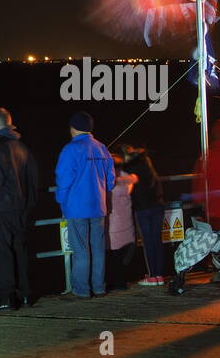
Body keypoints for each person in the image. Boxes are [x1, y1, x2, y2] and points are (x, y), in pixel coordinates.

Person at [0, 107, 39, 312]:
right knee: (20, 251)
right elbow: (32, 182)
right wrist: (28, 207)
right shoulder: (22, 148)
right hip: (20, 210)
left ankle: (7, 297)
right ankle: (26, 294)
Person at [54, 112, 115, 298]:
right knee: (98, 249)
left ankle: (81, 290)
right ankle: (99, 287)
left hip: (76, 208)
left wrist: (61, 202)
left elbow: (64, 181)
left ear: (72, 128)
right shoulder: (102, 148)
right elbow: (110, 180)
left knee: (80, 250)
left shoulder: (70, 150)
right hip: (98, 207)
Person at [121, 143, 167, 286]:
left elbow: (131, 182)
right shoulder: (147, 162)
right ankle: (159, 275)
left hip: (143, 208)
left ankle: (153, 277)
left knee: (148, 243)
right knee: (157, 241)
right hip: (158, 206)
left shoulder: (130, 167)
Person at [106, 155, 138, 291]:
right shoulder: (128, 178)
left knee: (113, 254)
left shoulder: (108, 179)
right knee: (124, 253)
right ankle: (122, 281)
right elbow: (132, 182)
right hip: (127, 220)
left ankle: (116, 282)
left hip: (113, 221)